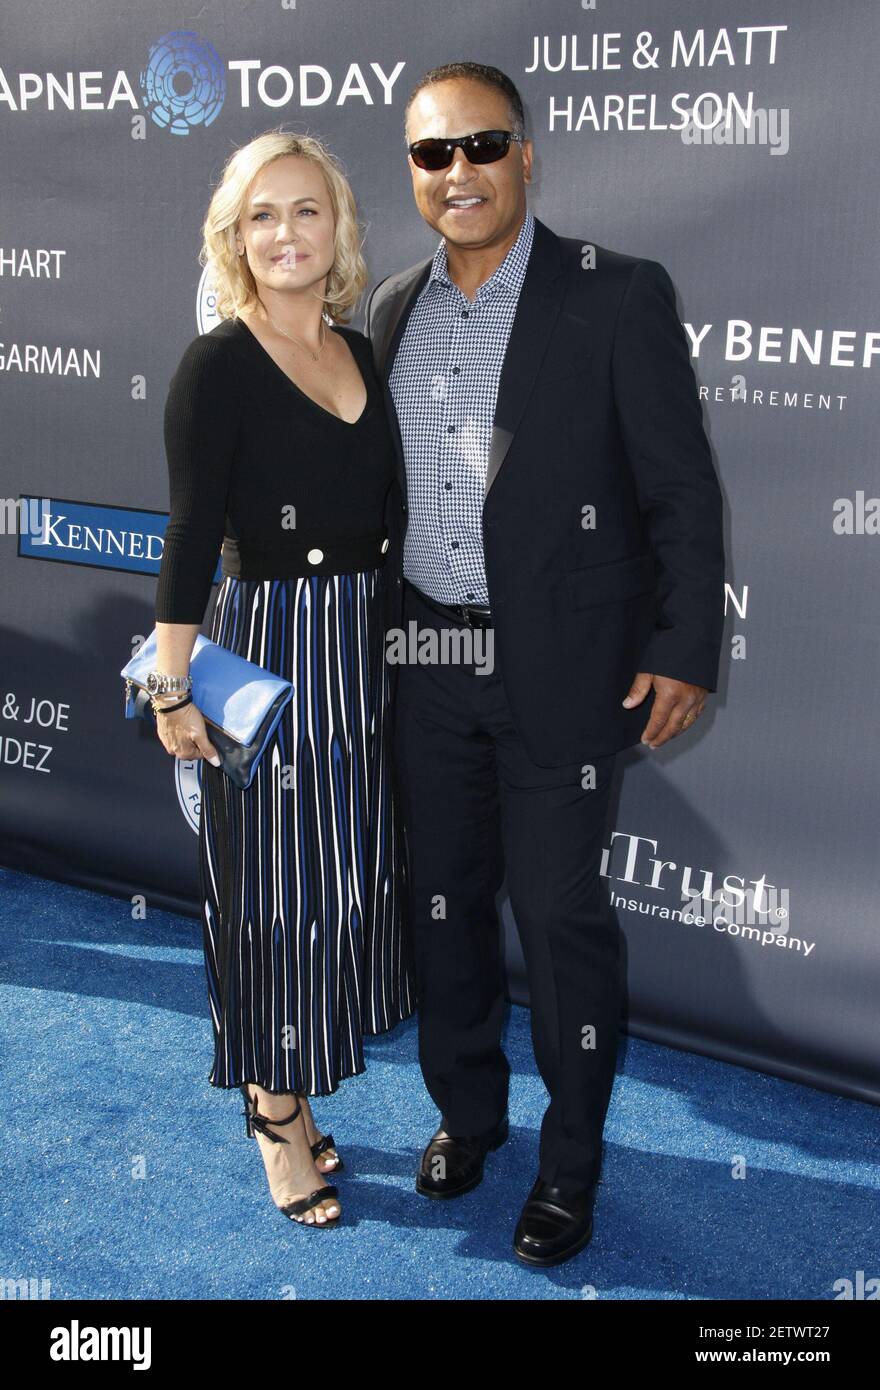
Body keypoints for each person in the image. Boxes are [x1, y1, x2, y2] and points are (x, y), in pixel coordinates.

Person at [365, 63, 725, 1266]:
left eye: (481, 145)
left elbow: (677, 485)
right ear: (412, 172)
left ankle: (570, 1165)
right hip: (426, 650)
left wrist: (682, 646)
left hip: (565, 661)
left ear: (527, 156)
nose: (456, 171)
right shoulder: (392, 309)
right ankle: (468, 1117)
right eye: (432, 154)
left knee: (561, 917)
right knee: (443, 903)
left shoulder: (614, 294)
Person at [151, 129, 415, 1228]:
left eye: (305, 210)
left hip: (358, 652)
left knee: (338, 885)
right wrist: (171, 690)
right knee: (268, 895)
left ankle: (300, 1085)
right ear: (234, 236)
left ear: (338, 229)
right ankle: (272, 1110)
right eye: (262, 215)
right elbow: (186, 533)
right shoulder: (219, 361)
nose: (285, 233)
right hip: (266, 648)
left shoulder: (361, 348)